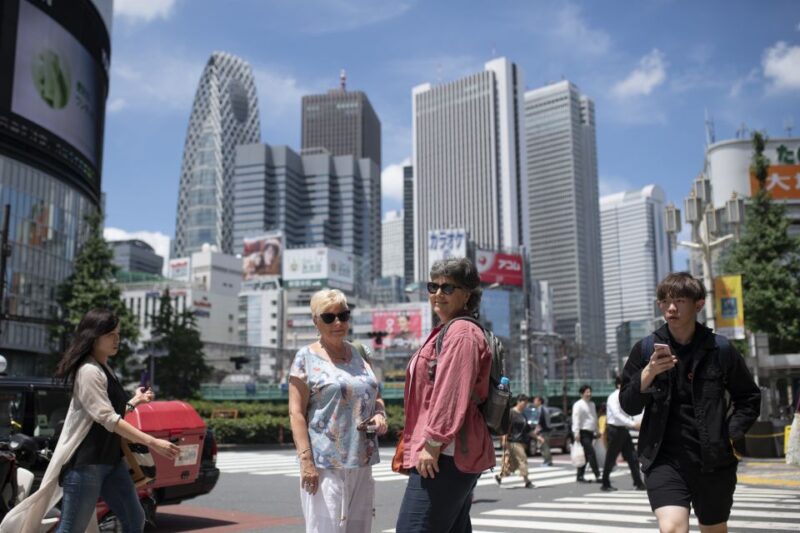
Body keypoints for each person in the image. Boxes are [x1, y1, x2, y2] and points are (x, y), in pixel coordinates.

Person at [0, 308, 180, 533]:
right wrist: (154, 442)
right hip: (87, 465)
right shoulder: (88, 371)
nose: (117, 340)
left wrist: (136, 400)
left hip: (111, 463)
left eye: (118, 334)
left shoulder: (105, 368)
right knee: (71, 529)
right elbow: (107, 418)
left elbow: (107, 412)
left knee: (135, 520)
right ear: (93, 336)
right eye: (110, 334)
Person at [620, 272, 760, 533]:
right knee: (672, 528)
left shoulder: (721, 349)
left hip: (713, 460)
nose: (670, 307)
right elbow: (628, 405)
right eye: (664, 301)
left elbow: (749, 397)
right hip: (663, 458)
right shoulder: (645, 348)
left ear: (698, 304)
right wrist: (648, 374)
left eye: (680, 300)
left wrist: (729, 434)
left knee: (714, 529)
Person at [395, 258, 494, 533]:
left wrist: (433, 443)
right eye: (433, 286)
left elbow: (452, 392)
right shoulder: (448, 331)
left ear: (468, 295)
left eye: (448, 288)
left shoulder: (461, 333)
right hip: (450, 453)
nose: (438, 294)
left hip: (445, 455)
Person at [288, 288, 388, 533]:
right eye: (329, 317)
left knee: (359, 529)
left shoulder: (360, 353)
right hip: (325, 464)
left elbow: (377, 396)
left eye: (343, 315)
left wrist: (379, 414)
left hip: (362, 460)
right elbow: (296, 413)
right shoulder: (305, 358)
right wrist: (306, 462)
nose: (338, 323)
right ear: (316, 321)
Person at [600, 376, 645, 492]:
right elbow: (616, 415)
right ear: (619, 385)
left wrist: (633, 422)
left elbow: (628, 412)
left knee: (632, 457)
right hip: (614, 430)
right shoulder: (613, 397)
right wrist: (633, 424)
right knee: (611, 458)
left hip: (623, 430)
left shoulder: (623, 396)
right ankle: (605, 483)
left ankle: (638, 482)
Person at [495, 394, 534, 488]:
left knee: (513, 464)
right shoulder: (511, 413)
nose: (525, 405)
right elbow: (505, 427)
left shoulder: (523, 415)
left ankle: (500, 476)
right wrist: (504, 439)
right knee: (522, 459)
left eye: (526, 403)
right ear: (518, 402)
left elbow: (528, 430)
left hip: (520, 441)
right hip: (512, 441)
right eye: (524, 403)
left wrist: (538, 437)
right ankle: (527, 481)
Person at [572, 384, 601, 483]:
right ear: (581, 394)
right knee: (591, 453)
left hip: (590, 432)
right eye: (587, 392)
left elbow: (594, 418)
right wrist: (576, 432)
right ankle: (597, 475)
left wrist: (597, 430)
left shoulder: (592, 404)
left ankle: (580, 476)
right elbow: (576, 419)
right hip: (582, 432)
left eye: (590, 392)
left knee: (585, 455)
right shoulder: (578, 404)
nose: (589, 394)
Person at [531, 395, 553, 467]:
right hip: (546, 430)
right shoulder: (545, 409)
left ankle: (547, 461)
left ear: (539, 401)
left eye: (535, 401)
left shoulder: (541, 409)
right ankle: (547, 461)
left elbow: (540, 421)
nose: (534, 402)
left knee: (544, 446)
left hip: (543, 431)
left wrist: (536, 430)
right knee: (545, 446)